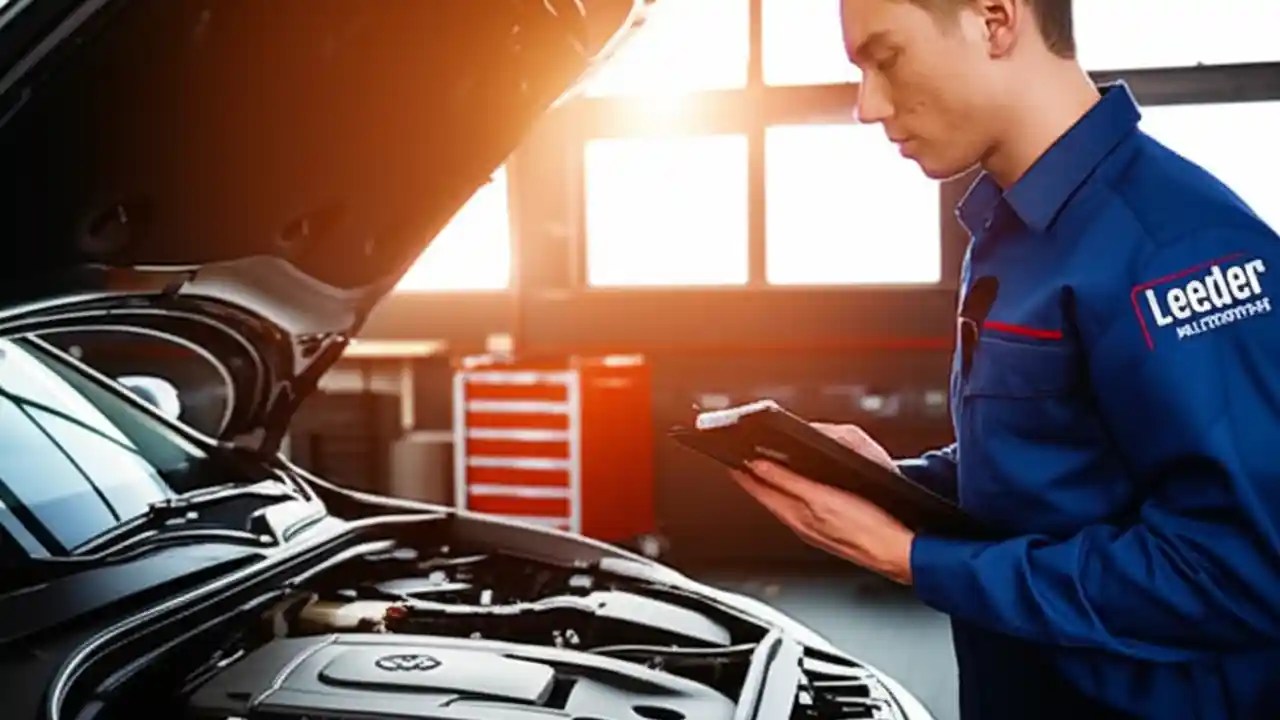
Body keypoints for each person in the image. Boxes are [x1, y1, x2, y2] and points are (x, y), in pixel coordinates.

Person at [729, 0, 1280, 718]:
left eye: (886, 59)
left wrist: (918, 561)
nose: (868, 106)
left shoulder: (1177, 248)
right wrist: (892, 484)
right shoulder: (1012, 231)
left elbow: (1239, 571)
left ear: (994, 18)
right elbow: (1063, 467)